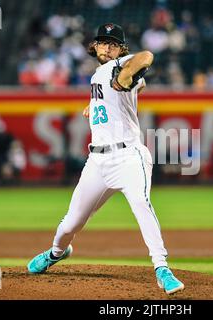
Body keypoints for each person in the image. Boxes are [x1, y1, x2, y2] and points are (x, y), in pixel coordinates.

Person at [27, 23, 185, 295]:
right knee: (71, 222)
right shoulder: (99, 75)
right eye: (103, 42)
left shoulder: (122, 64)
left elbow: (146, 56)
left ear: (121, 48)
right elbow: (136, 84)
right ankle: (56, 253)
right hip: (97, 161)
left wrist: (126, 74)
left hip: (129, 157)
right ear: (95, 46)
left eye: (113, 43)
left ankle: (162, 268)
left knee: (141, 204)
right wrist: (99, 102)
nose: (107, 47)